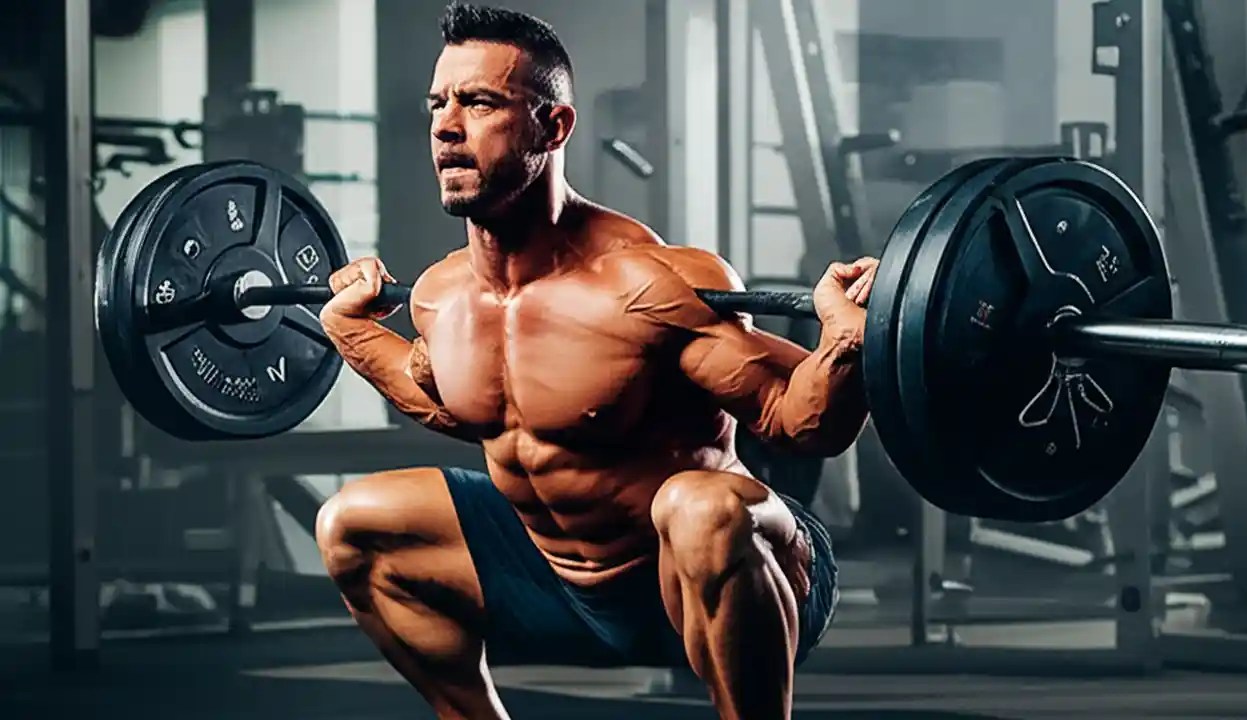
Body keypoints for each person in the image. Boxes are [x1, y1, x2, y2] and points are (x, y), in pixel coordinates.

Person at [315, 4, 878, 719]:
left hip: (714, 574)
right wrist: (353, 333)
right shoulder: (440, 295)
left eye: (480, 102)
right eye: (439, 104)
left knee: (700, 506)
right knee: (354, 522)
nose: (446, 126)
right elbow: (449, 403)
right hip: (559, 582)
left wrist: (846, 339)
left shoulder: (646, 285)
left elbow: (800, 424)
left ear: (553, 126)